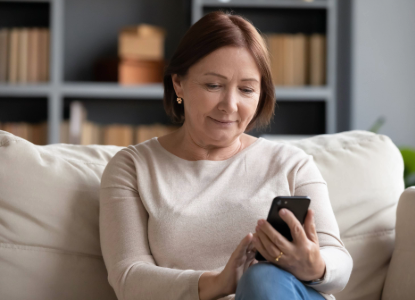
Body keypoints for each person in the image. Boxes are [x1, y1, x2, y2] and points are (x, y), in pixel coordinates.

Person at [99, 11, 353, 300]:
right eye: (213, 85)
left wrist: (315, 265)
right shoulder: (132, 167)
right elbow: (128, 278)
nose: (230, 105)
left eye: (246, 89)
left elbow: (340, 264)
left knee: (263, 277)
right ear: (178, 83)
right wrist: (218, 283)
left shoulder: (291, 163)